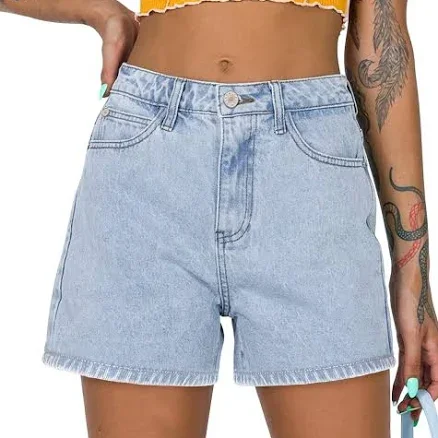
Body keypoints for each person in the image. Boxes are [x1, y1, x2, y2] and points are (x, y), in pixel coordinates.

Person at [1, 0, 437, 437]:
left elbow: (382, 46)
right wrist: (101, 12)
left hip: (309, 176)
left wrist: (413, 276)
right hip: (151, 161)